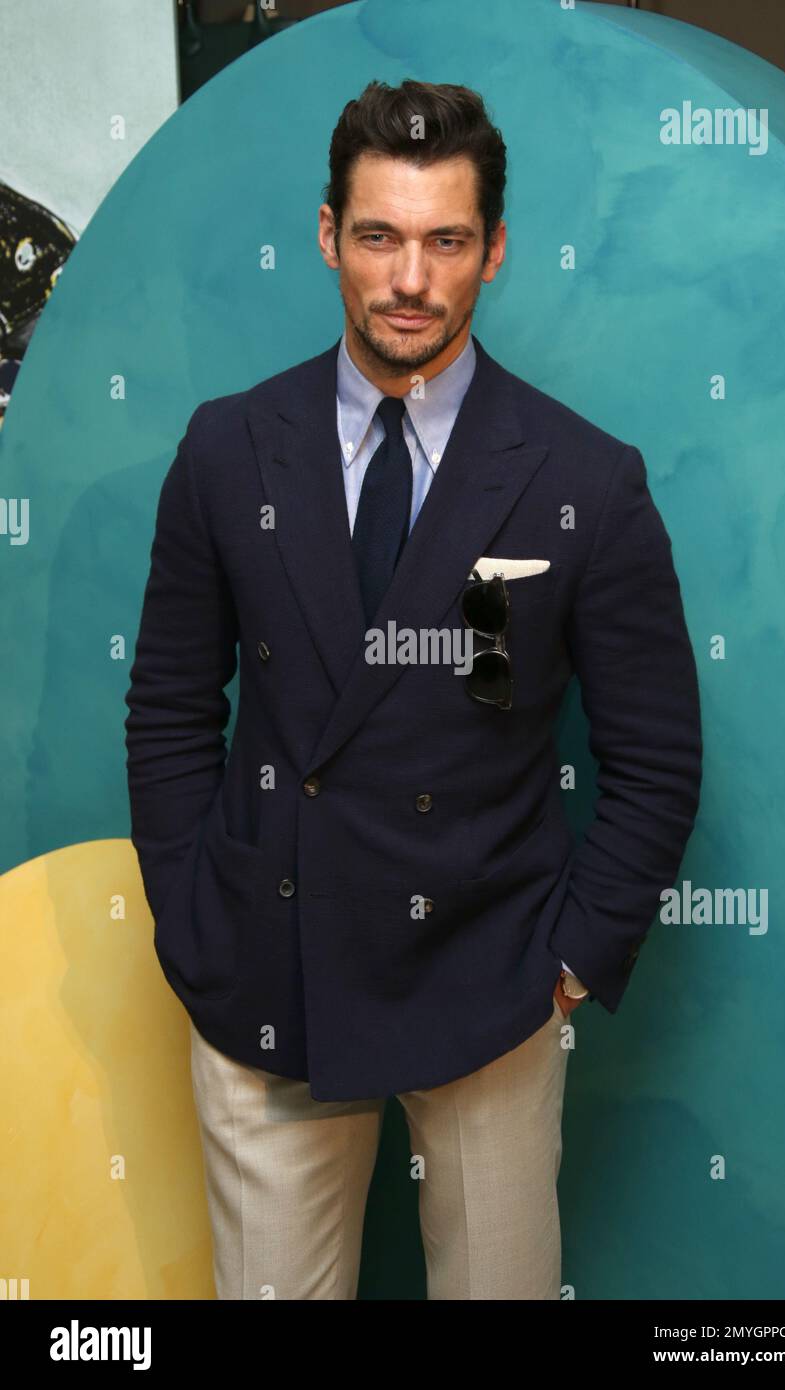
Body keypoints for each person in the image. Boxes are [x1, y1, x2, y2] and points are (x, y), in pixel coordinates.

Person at [124, 78, 702, 1299]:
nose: (409, 279)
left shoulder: (587, 481)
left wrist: (568, 962)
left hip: (491, 981)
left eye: (445, 241)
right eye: (380, 236)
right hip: (266, 974)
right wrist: (193, 916)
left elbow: (656, 757)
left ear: (492, 251)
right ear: (330, 234)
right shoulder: (227, 450)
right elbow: (171, 708)